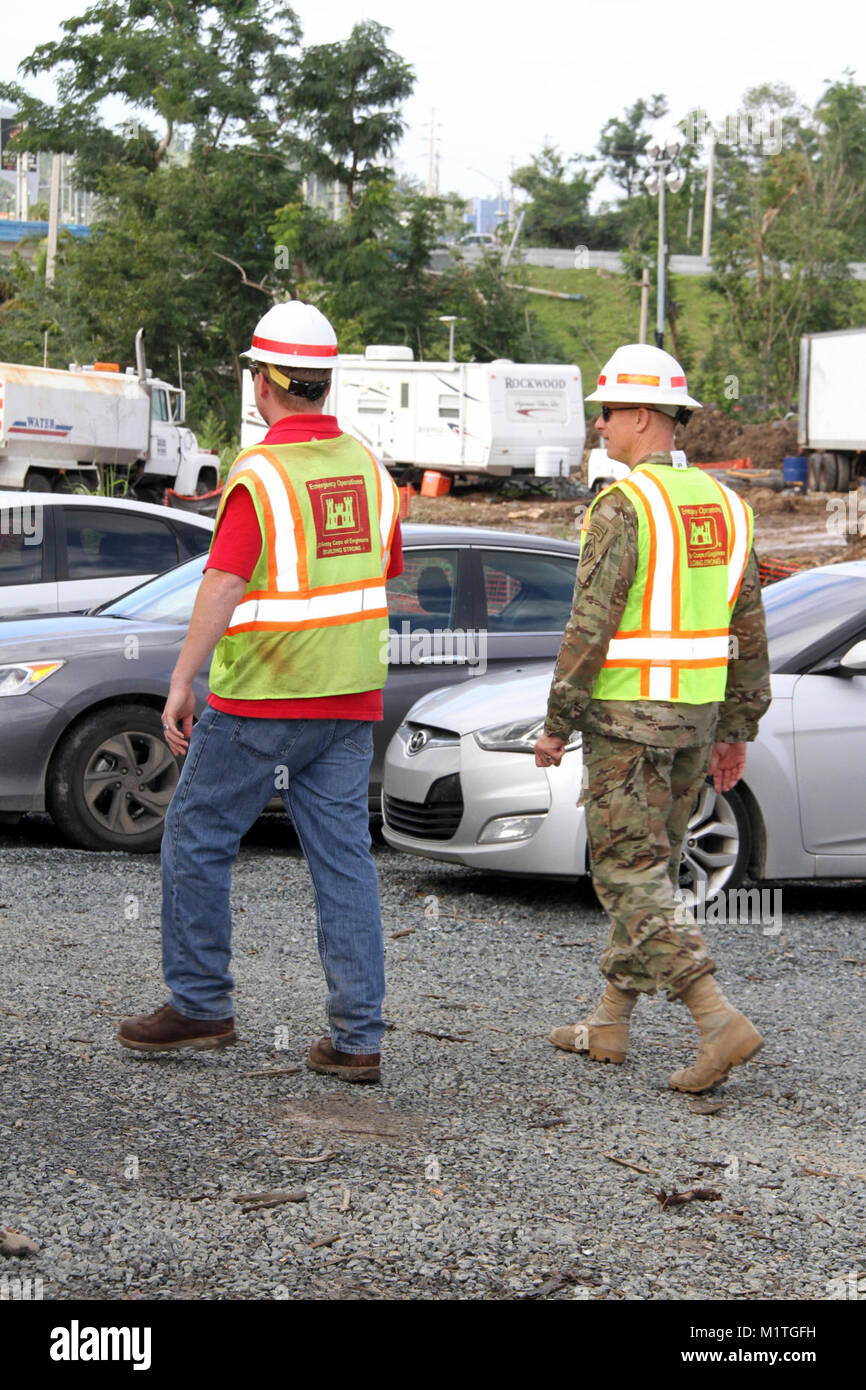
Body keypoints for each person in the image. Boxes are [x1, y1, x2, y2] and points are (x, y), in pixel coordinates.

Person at [118, 301, 401, 1085]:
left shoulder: (263, 472)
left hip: (262, 698)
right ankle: (357, 1039)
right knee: (343, 863)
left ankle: (201, 1005)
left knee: (198, 838)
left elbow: (224, 581)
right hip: (347, 701)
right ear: (322, 381)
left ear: (263, 383)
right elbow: (381, 573)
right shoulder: (371, 469)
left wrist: (180, 680)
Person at [534, 344, 772, 1094]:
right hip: (693, 725)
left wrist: (555, 721)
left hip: (629, 725)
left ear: (642, 416)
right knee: (653, 873)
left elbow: (589, 624)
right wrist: (736, 727)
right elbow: (750, 628)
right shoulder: (728, 506)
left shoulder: (625, 506)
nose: (599, 425)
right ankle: (609, 1021)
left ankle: (715, 1016)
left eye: (606, 411)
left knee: (625, 873)